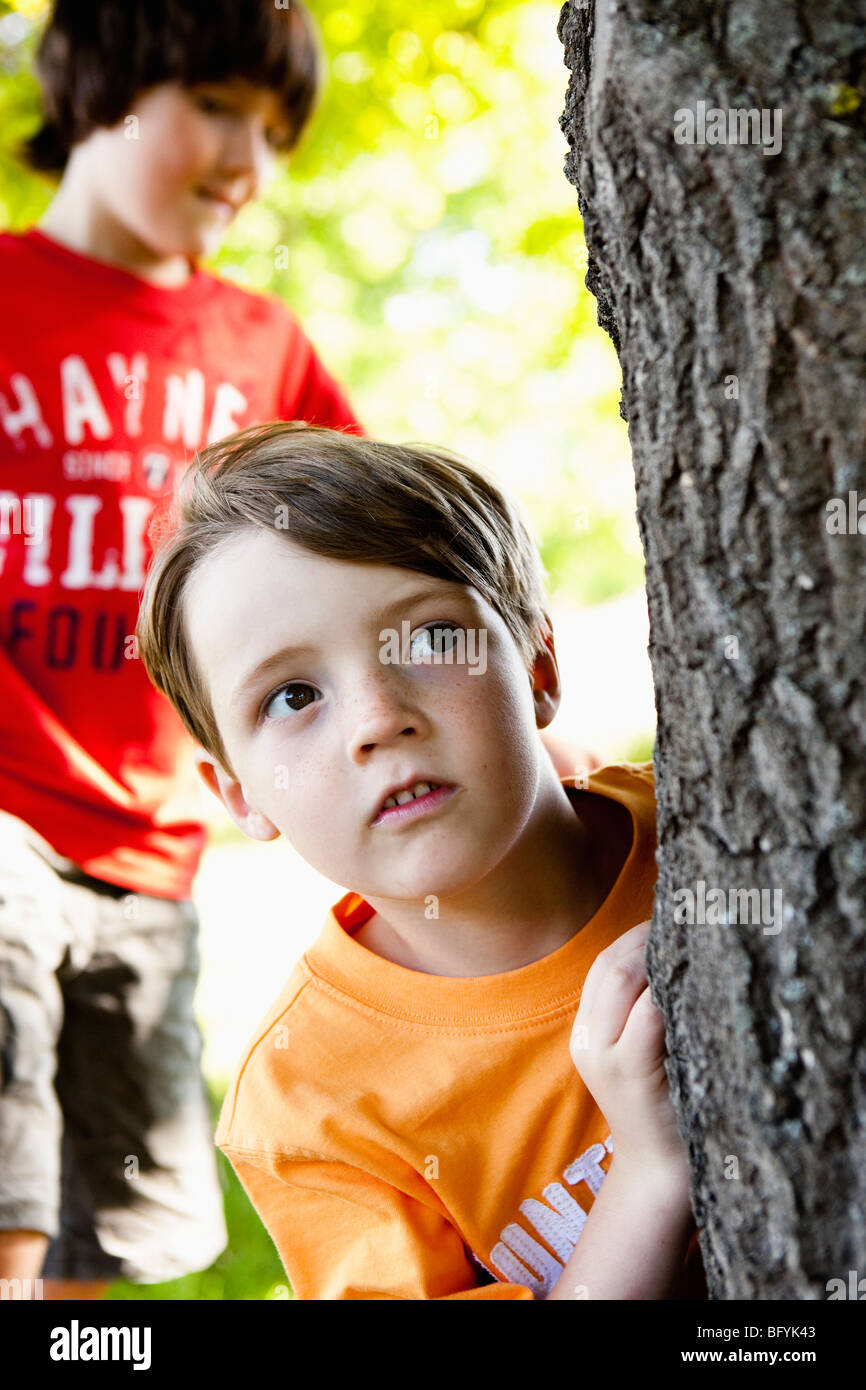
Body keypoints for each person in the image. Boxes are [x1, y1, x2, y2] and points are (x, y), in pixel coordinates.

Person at [135, 420, 707, 1301]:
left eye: (432, 640)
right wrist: (649, 1174)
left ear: (538, 662)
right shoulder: (310, 1102)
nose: (377, 719)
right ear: (240, 793)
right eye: (293, 696)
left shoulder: (708, 829)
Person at [0, 0, 362, 1299]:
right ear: (101, 81)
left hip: (155, 845)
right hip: (7, 807)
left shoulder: (263, 348)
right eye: (216, 103)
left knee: (110, 1220)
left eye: (272, 132)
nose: (247, 159)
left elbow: (370, 550)